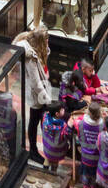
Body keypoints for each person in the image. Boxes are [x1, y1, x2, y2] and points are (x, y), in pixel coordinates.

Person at [15, 29, 52, 161]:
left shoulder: (39, 50)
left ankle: (47, 148)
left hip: (43, 90)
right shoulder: (31, 59)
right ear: (39, 42)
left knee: (41, 119)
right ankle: (33, 151)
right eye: (45, 40)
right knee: (34, 121)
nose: (48, 42)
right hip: (37, 95)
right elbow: (36, 83)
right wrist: (48, 100)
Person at [77, 100, 104, 188]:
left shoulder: (82, 123)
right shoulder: (102, 125)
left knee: (85, 176)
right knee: (93, 177)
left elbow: (80, 137)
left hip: (85, 156)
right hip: (96, 157)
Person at [41, 101, 69, 173]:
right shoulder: (62, 125)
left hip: (47, 146)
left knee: (46, 158)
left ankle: (44, 173)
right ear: (57, 114)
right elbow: (65, 135)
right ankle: (53, 173)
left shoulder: (46, 117)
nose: (64, 110)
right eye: (62, 110)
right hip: (56, 151)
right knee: (55, 162)